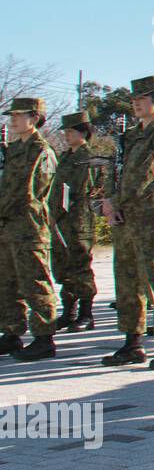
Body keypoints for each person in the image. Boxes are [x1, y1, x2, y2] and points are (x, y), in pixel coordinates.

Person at [100, 76, 154, 369]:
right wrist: (109, 202)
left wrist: (117, 202)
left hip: (151, 218)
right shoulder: (129, 136)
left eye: (144, 97)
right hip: (126, 219)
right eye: (134, 98)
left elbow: (147, 177)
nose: (136, 103)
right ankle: (132, 342)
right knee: (127, 282)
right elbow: (116, 174)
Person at [0, 97, 61, 361]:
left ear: (34, 118)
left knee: (35, 282)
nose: (12, 120)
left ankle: (44, 338)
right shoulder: (14, 149)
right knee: (7, 283)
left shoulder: (41, 150)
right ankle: (12, 333)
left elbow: (28, 193)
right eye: (11, 115)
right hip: (8, 227)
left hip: (30, 228)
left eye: (18, 115)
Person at [49, 110, 101, 333]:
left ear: (84, 133)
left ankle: (86, 314)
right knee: (63, 266)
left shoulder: (88, 158)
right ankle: (68, 312)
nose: (66, 135)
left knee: (80, 266)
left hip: (78, 220)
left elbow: (78, 191)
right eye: (66, 132)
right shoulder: (65, 157)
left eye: (71, 131)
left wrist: (57, 212)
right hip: (60, 221)